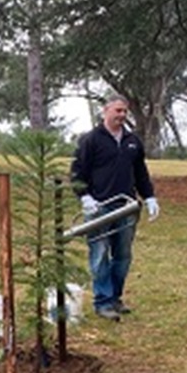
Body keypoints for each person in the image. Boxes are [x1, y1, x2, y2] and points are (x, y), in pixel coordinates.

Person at [69, 95, 160, 321]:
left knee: (123, 255)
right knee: (99, 255)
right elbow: (77, 172)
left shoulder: (132, 141)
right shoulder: (90, 140)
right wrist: (85, 196)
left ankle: (115, 298)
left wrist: (149, 197)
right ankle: (102, 302)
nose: (122, 115)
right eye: (118, 110)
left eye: (124, 111)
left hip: (126, 207)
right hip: (98, 207)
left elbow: (140, 172)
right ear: (105, 111)